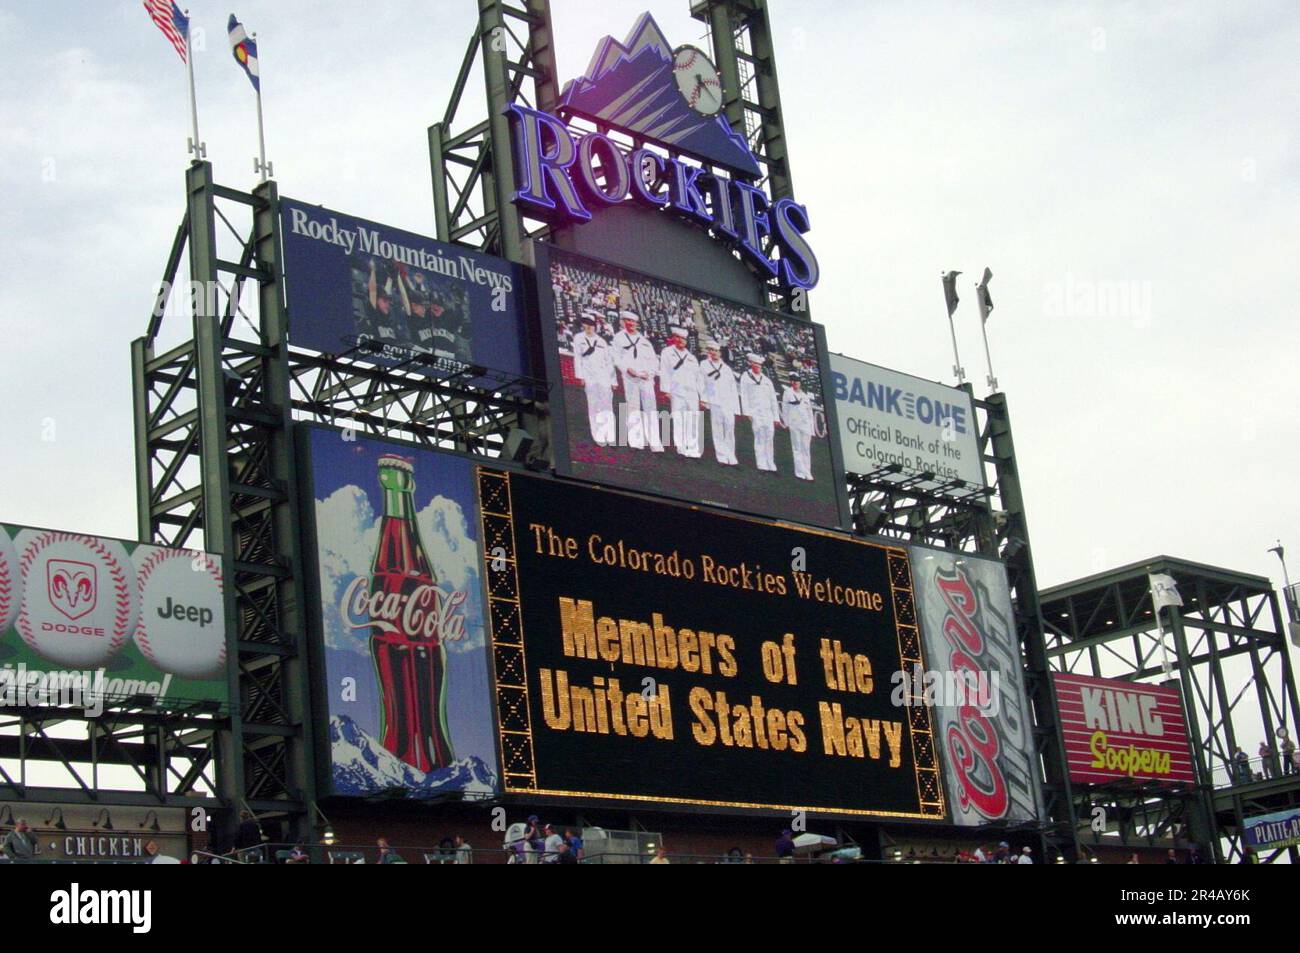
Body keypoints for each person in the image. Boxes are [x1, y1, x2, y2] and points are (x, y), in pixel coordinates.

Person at [610, 311, 663, 452]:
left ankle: (654, 441)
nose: (630, 324)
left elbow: (654, 361)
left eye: (633, 321)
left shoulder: (644, 341)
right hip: (630, 378)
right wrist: (627, 369)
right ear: (623, 322)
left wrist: (649, 373)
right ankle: (636, 439)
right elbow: (616, 358)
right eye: (627, 320)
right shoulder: (618, 338)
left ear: (637, 324)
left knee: (650, 409)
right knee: (633, 408)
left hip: (646, 379)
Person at [572, 312, 617, 446]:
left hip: (604, 377)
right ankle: (598, 434)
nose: (588, 326)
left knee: (607, 405)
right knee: (594, 405)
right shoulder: (578, 338)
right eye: (586, 323)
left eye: (591, 324)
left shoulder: (602, 341)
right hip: (589, 375)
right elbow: (577, 357)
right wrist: (580, 376)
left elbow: (608, 362)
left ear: (595, 326)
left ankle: (610, 433)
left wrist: (613, 381)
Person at [659, 326, 704, 457]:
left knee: (693, 420)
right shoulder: (667, 352)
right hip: (676, 391)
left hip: (692, 393)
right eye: (678, 337)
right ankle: (681, 448)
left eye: (683, 338)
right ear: (673, 338)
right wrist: (666, 390)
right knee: (678, 419)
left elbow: (698, 378)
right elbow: (664, 371)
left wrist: (702, 396)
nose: (680, 340)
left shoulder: (691, 357)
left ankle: (693, 448)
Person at [700, 339, 739, 465]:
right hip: (714, 400)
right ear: (708, 352)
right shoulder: (704, 364)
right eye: (711, 350)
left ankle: (731, 456)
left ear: (720, 353)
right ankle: (721, 456)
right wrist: (703, 399)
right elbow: (701, 382)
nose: (714, 353)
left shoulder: (727, 368)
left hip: (727, 402)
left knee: (729, 429)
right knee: (717, 429)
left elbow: (733, 388)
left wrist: (736, 407)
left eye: (716, 351)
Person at [739, 354, 781, 473]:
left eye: (759, 364)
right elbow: (744, 395)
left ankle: (771, 464)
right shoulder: (746, 377)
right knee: (759, 437)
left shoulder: (767, 380)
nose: (757, 366)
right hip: (755, 412)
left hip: (767, 412)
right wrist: (747, 412)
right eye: (755, 364)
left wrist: (776, 417)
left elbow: (773, 399)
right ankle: (761, 464)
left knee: (769, 437)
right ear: (751, 363)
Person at [780, 375, 816, 481]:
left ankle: (807, 472)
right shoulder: (788, 393)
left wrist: (811, 428)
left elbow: (809, 412)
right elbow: (785, 408)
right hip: (794, 424)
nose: (795, 382)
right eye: (793, 381)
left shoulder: (805, 396)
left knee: (806, 449)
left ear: (800, 382)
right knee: (797, 448)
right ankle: (800, 472)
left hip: (805, 425)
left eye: (797, 381)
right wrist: (786, 422)